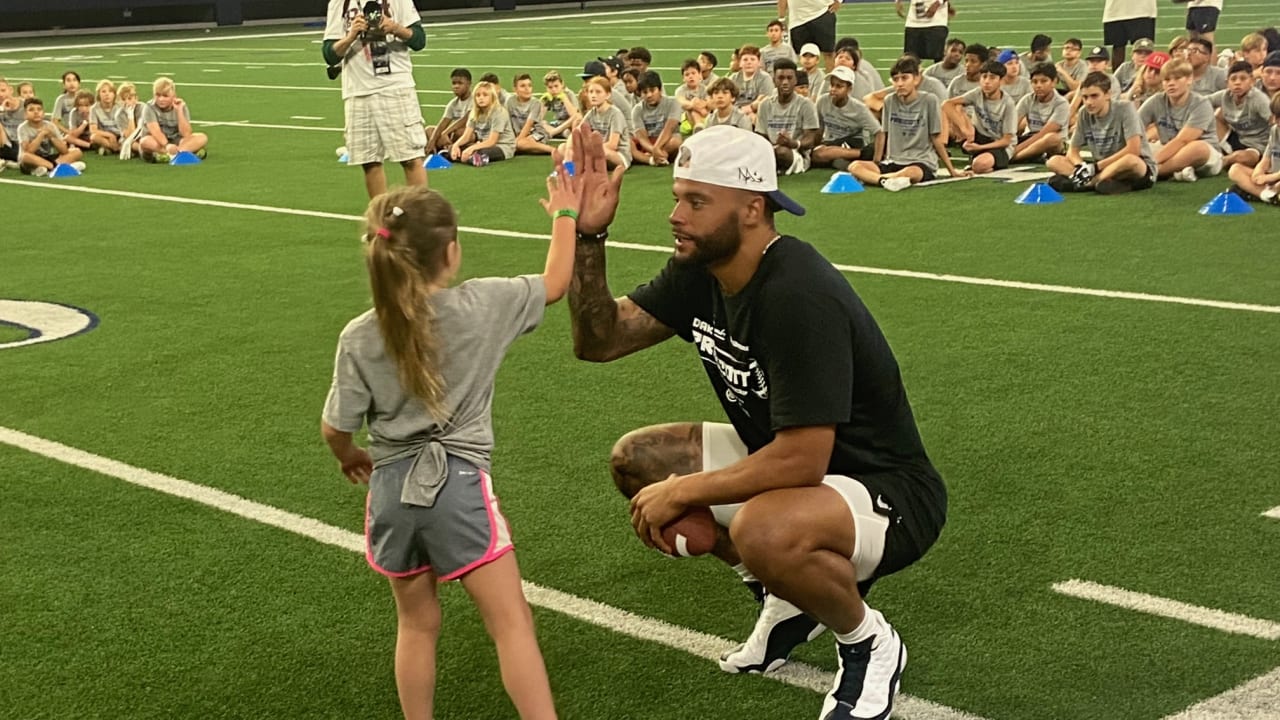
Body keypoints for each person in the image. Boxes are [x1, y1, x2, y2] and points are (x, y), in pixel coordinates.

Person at [563, 122, 945, 720]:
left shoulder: (797, 292)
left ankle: (868, 641)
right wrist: (590, 236)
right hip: (798, 473)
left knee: (763, 528)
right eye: (676, 198)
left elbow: (803, 459)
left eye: (696, 201)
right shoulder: (701, 271)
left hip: (886, 490)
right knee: (640, 461)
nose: (676, 215)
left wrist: (682, 492)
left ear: (751, 208)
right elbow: (600, 341)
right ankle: (785, 594)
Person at [321, 151, 583, 719]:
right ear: (452, 252)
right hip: (456, 489)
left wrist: (350, 457)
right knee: (511, 624)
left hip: (390, 493)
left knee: (416, 623)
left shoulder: (359, 335)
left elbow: (335, 428)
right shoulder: (482, 305)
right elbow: (557, 283)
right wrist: (566, 214)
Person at [323, 0, 427, 199]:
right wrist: (350, 36)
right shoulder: (339, 2)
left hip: (395, 88)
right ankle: (380, 225)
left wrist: (395, 28)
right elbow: (329, 54)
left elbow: (419, 40)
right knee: (369, 162)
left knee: (410, 158)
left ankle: (419, 223)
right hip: (357, 92)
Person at [852, 56, 967, 191]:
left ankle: (878, 178)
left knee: (912, 173)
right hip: (893, 161)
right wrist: (877, 162)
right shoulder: (889, 100)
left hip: (920, 162)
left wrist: (952, 170)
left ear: (916, 79)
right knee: (855, 166)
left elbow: (936, 139)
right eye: (896, 80)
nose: (900, 83)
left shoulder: (929, 100)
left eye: (904, 78)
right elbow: (884, 133)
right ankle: (885, 180)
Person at [1047, 72, 1156, 194]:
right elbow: (1072, 151)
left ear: (1108, 94)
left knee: (1131, 160)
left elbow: (1133, 149)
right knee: (1054, 161)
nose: (1088, 102)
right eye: (1085, 97)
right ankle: (1097, 181)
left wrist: (1096, 167)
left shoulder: (1125, 108)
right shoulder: (1084, 113)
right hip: (1101, 167)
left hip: (1135, 167)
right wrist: (1080, 166)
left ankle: (1086, 183)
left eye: (1094, 96)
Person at [1137, 58, 1224, 181]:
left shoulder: (1201, 103)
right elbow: (1135, 127)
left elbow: (1183, 140)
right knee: (1143, 146)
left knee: (1198, 147)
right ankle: (1174, 172)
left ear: (1189, 79)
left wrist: (1152, 162)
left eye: (1177, 78)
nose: (1171, 83)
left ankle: (1150, 173)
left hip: (1205, 156)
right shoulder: (1156, 101)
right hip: (1167, 148)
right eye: (1166, 80)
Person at [943, 60, 1016, 174]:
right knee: (958, 107)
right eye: (984, 77)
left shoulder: (1008, 104)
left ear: (1001, 81)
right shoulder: (977, 93)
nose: (987, 82)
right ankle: (943, 148)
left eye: (992, 78)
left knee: (979, 165)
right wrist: (965, 130)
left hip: (998, 145)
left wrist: (979, 148)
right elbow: (947, 104)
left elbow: (1006, 140)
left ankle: (985, 162)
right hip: (979, 137)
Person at [754, 59, 820, 174]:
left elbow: (810, 139)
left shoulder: (806, 104)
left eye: (789, 78)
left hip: (796, 153)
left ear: (795, 80)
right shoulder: (765, 104)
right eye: (781, 78)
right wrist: (771, 147)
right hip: (771, 150)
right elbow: (761, 136)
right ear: (774, 80)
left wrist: (793, 143)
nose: (785, 82)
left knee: (782, 152)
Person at [811, 65, 882, 171]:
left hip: (852, 142)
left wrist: (877, 160)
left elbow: (879, 132)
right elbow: (819, 129)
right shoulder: (822, 101)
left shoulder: (859, 108)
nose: (833, 89)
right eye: (832, 85)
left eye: (839, 86)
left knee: (820, 154)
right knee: (819, 155)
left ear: (849, 89)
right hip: (831, 141)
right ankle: (851, 160)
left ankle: (861, 154)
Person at [1212, 61, 1273, 169]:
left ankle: (1217, 162)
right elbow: (1200, 102)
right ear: (1227, 82)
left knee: (1242, 158)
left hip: (1258, 146)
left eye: (1243, 78)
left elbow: (1274, 121)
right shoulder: (1225, 95)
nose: (1237, 83)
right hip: (1238, 139)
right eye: (1233, 79)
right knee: (1214, 116)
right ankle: (1224, 153)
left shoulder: (1259, 99)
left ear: (1252, 81)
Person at [565, 76, 632, 170]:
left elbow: (613, 144)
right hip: (597, 152)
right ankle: (570, 171)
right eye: (591, 92)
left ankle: (581, 166)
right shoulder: (592, 113)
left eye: (598, 92)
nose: (593, 95)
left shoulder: (615, 114)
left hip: (618, 155)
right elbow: (576, 133)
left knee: (604, 151)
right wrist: (569, 148)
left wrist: (588, 151)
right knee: (563, 148)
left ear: (608, 95)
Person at [138, 77, 210, 164]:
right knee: (145, 142)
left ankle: (171, 155)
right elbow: (155, 131)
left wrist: (179, 111)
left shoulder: (181, 105)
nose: (161, 99)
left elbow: (186, 134)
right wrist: (167, 145)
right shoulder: (149, 107)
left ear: (173, 96)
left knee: (202, 137)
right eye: (158, 95)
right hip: (158, 142)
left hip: (177, 141)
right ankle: (184, 154)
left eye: (165, 96)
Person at [1226, 93, 1280, 203]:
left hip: (1275, 178)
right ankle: (1267, 195)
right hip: (1272, 178)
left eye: (1279, 117)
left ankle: (1253, 192)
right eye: (1274, 116)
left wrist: (1269, 178)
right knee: (1235, 170)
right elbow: (1266, 159)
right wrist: (1258, 172)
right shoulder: (1275, 130)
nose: (1274, 121)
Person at [1012, 63, 1070, 162]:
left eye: (1044, 81)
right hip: (1031, 137)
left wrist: (1015, 150)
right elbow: (1012, 123)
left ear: (1054, 82)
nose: (1038, 85)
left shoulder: (1061, 103)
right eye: (1034, 82)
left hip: (1052, 144)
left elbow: (1044, 133)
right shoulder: (1027, 99)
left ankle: (1014, 158)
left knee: (1052, 138)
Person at [449, 81, 515, 166]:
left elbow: (492, 141)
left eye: (485, 95)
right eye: (478, 95)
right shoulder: (474, 113)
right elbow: (466, 136)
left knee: (480, 152)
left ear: (492, 97)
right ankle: (465, 157)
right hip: (482, 144)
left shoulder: (499, 112)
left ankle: (465, 157)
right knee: (453, 148)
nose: (481, 98)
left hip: (503, 147)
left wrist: (471, 148)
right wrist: (455, 145)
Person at [17, 97, 85, 177]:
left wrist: (51, 136)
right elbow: (28, 151)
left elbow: (64, 150)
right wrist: (41, 135)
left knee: (77, 151)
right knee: (25, 156)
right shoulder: (22, 128)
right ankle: (56, 167)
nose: (36, 112)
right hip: (34, 159)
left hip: (50, 157)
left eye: (39, 109)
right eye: (31, 110)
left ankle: (47, 169)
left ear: (43, 113)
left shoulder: (50, 125)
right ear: (25, 115)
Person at [780, 0, 843, 71]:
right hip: (797, 19)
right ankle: (805, 80)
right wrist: (781, 17)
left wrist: (839, 1)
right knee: (801, 54)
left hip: (822, 13)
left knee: (828, 53)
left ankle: (830, 81)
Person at [426, 69, 473, 155]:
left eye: (460, 83)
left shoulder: (474, 100)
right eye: (454, 83)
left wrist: (446, 132)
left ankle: (449, 148)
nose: (456, 86)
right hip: (452, 134)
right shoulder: (453, 103)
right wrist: (432, 140)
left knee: (460, 132)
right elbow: (443, 123)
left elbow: (466, 119)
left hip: (470, 134)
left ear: (469, 84)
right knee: (429, 130)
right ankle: (447, 147)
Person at [1102, 0, 1158, 72]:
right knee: (1118, 47)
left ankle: (1145, 80)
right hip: (1116, 9)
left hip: (1143, 9)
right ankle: (1117, 80)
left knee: (1144, 47)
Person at [508, 73, 555, 156]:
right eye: (523, 86)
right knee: (522, 145)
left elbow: (529, 124)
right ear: (515, 89)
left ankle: (553, 150)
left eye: (529, 85)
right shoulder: (510, 101)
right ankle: (529, 147)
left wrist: (516, 142)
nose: (527, 89)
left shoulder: (535, 103)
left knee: (521, 144)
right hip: (519, 135)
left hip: (537, 133)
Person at [730, 46, 776, 120]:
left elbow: (766, 102)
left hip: (757, 115)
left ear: (758, 63)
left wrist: (750, 109)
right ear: (740, 63)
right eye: (745, 60)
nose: (749, 62)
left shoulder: (765, 78)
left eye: (752, 59)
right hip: (736, 113)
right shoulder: (733, 78)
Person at [539, 71, 580, 141]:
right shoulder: (549, 96)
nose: (554, 89)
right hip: (558, 124)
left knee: (575, 119)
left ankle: (554, 132)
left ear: (562, 84)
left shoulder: (569, 94)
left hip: (569, 124)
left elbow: (574, 115)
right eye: (550, 87)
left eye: (556, 86)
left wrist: (564, 99)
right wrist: (543, 103)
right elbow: (539, 118)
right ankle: (558, 132)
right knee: (541, 123)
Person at [674, 60, 710, 132]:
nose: (691, 76)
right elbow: (682, 103)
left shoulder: (705, 89)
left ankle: (699, 127)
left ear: (700, 75)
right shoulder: (680, 90)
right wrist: (699, 107)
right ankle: (698, 126)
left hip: (704, 118)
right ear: (683, 78)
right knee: (692, 109)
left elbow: (710, 103)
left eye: (693, 73)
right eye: (687, 75)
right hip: (685, 122)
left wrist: (703, 106)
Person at [89, 80, 123, 155]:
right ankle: (117, 149)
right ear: (99, 94)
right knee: (94, 137)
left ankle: (109, 148)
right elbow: (93, 130)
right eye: (103, 91)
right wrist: (110, 135)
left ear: (114, 94)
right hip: (105, 136)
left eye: (110, 91)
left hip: (120, 135)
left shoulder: (120, 106)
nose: (107, 94)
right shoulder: (94, 109)